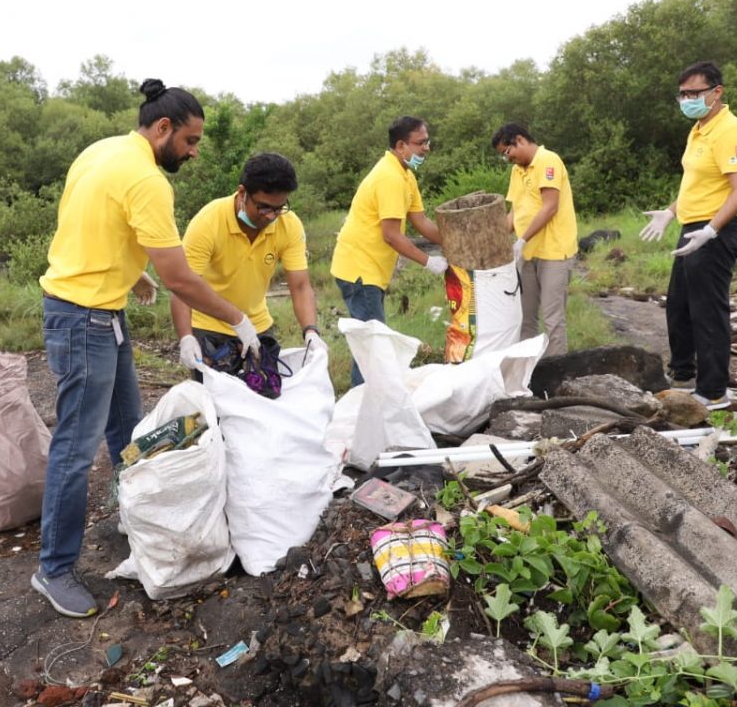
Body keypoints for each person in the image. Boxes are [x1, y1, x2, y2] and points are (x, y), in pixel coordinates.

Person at [34, 79, 262, 618]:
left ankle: (133, 514)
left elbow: (92, 225)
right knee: (74, 446)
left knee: (127, 428)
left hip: (92, 309)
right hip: (83, 317)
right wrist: (236, 317)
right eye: (190, 139)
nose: (193, 150)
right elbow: (180, 276)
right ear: (163, 129)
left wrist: (132, 274)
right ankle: (54, 568)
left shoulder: (102, 151)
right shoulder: (147, 179)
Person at [640, 61, 737, 410]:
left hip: (716, 231)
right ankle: (684, 377)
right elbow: (697, 183)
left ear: (716, 92)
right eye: (683, 94)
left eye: (695, 93)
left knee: (707, 310)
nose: (687, 99)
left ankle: (714, 391)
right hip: (693, 227)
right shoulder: (700, 129)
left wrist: (711, 229)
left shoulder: (731, 130)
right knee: (679, 306)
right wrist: (671, 212)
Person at [173, 152, 327, 373]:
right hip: (210, 328)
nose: (271, 216)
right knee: (219, 403)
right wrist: (187, 338)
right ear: (242, 193)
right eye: (264, 207)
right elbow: (183, 287)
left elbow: (301, 286)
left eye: (279, 207)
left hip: (257, 326)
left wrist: (310, 331)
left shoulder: (289, 225)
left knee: (264, 398)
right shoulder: (208, 223)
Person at [330, 116, 447, 386]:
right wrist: (428, 261)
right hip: (360, 270)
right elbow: (392, 235)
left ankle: (366, 404)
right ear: (401, 145)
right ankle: (364, 406)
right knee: (373, 346)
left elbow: (421, 221)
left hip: (370, 270)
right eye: (420, 143)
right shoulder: (389, 178)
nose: (426, 148)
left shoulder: (405, 175)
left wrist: (453, 243)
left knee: (371, 341)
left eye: (427, 141)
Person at [492, 123, 578, 357]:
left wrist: (522, 239)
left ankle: (557, 373)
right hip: (527, 254)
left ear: (518, 140)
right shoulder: (517, 171)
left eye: (506, 152)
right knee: (525, 317)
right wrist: (495, 242)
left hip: (554, 253)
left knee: (552, 319)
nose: (507, 158)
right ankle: (526, 374)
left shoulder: (548, 160)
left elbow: (550, 207)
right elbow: (514, 213)